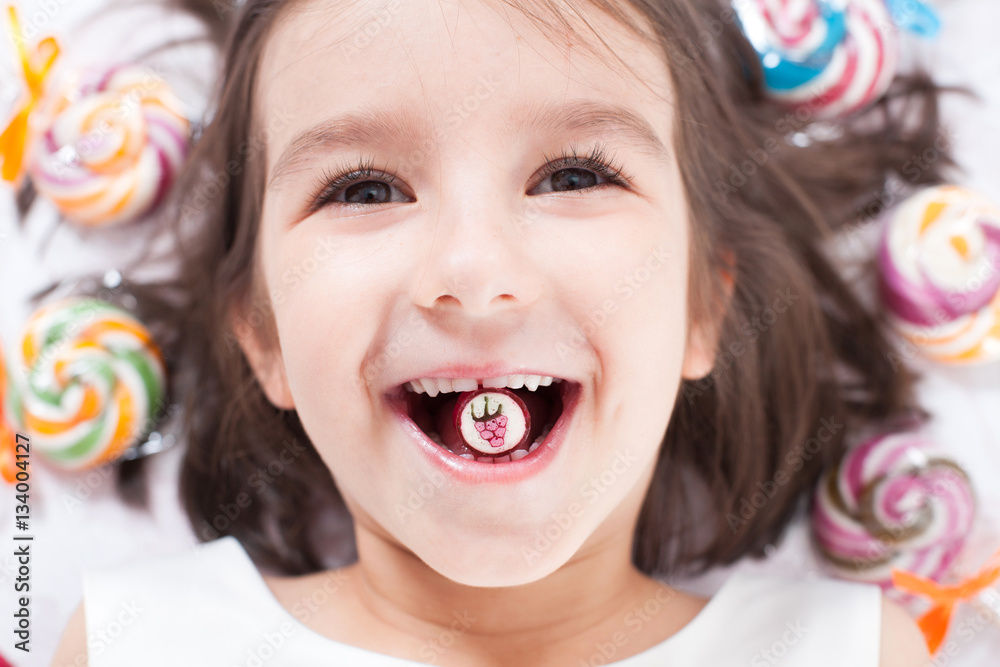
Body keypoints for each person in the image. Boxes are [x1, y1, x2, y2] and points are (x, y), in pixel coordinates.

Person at [51, 0, 952, 664]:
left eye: (574, 176)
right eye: (364, 189)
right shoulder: (141, 641)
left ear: (702, 307)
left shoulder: (847, 652)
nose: (474, 271)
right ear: (264, 335)